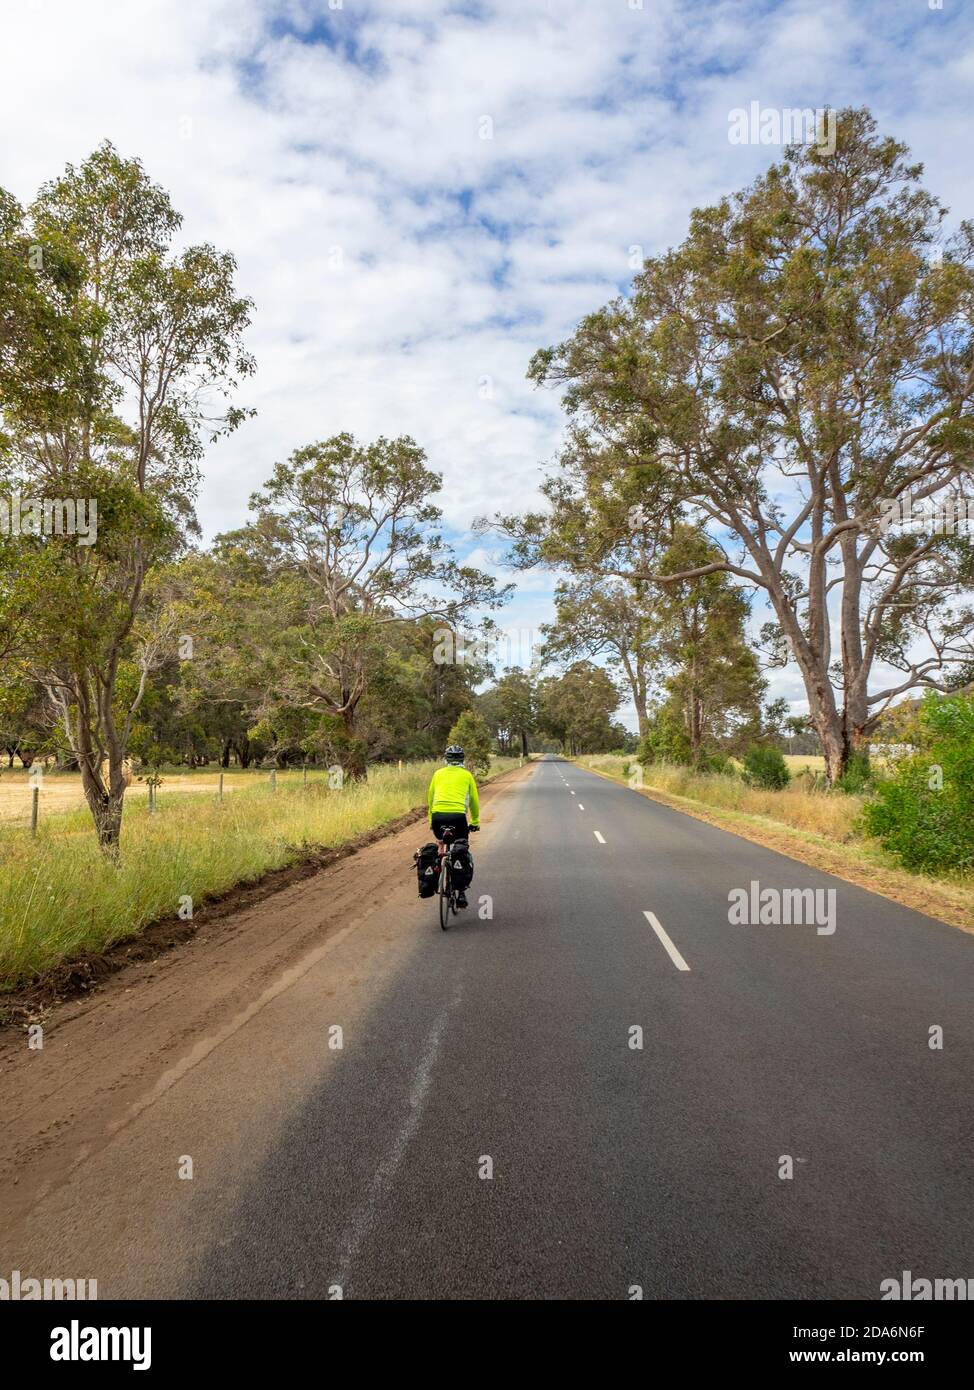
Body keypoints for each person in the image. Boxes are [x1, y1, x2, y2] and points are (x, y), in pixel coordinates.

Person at [427, 745, 479, 908]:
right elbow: (473, 800)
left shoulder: (437, 774)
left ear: (446, 759)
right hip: (458, 818)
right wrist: (475, 821)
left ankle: (438, 866)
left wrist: (431, 821)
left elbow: (430, 799)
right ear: (462, 759)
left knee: (441, 842)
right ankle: (461, 892)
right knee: (461, 847)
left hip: (438, 817)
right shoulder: (467, 775)